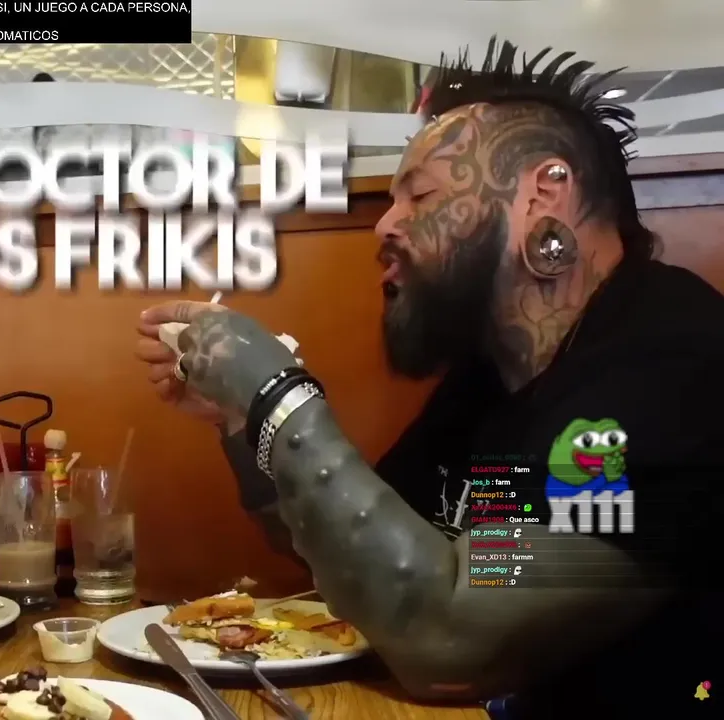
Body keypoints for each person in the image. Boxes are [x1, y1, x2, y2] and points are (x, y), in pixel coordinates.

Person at [136, 39, 723, 717]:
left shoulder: (675, 366)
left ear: (543, 193)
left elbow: (447, 642)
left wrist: (278, 397)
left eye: (420, 193)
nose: (385, 223)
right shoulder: (488, 380)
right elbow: (361, 564)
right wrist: (242, 420)